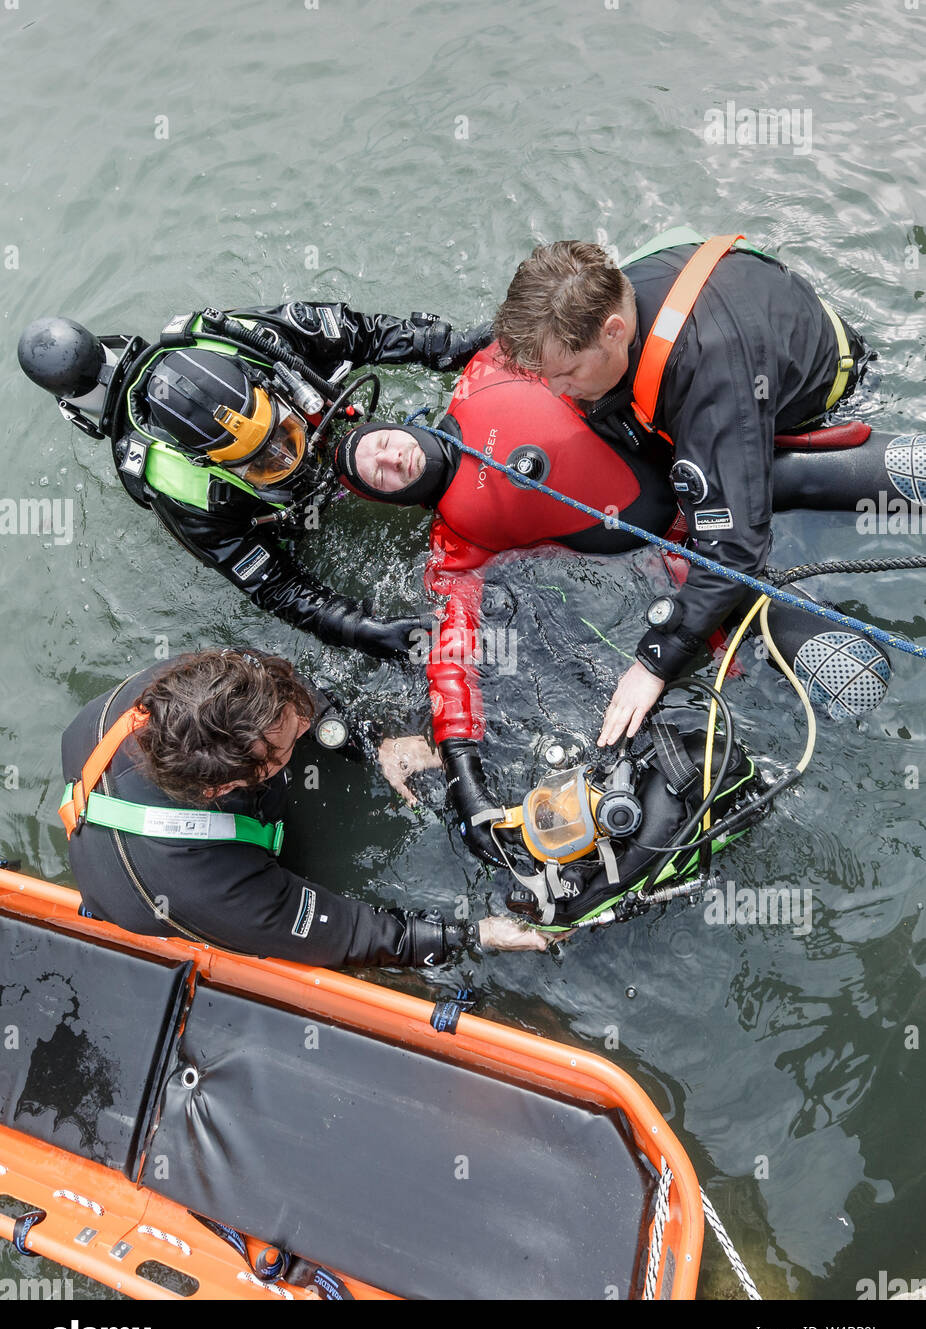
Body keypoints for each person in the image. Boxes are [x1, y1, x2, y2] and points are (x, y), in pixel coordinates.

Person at [333, 342, 892, 865]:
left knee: (794, 475)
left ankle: (849, 472)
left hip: (707, 469)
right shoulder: (456, 543)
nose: (391, 460)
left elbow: (568, 318)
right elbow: (451, 658)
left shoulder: (486, 371)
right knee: (817, 653)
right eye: (377, 477)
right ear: (392, 498)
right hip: (682, 554)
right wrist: (465, 776)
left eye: (380, 444)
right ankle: (784, 613)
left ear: (393, 427)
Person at [491, 228, 876, 743]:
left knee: (733, 533)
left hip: (808, 400)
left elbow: (736, 553)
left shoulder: (711, 375)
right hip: (749, 330)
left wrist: (652, 664)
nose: (556, 390)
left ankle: (810, 595)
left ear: (611, 331)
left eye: (566, 373)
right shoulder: (601, 294)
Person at [18, 299, 491, 661]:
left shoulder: (249, 338)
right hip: (276, 513)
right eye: (263, 460)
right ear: (213, 464)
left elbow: (361, 333)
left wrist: (449, 348)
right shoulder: (182, 491)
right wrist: (362, 629)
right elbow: (274, 586)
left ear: (269, 388)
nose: (291, 455)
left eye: (282, 434)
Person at [58, 648, 549, 963]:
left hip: (104, 768)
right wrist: (475, 935)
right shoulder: (217, 888)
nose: (301, 726)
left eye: (292, 715)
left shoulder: (184, 688)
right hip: (157, 889)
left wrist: (376, 742)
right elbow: (354, 934)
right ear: (221, 790)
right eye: (289, 742)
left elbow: (276, 686)